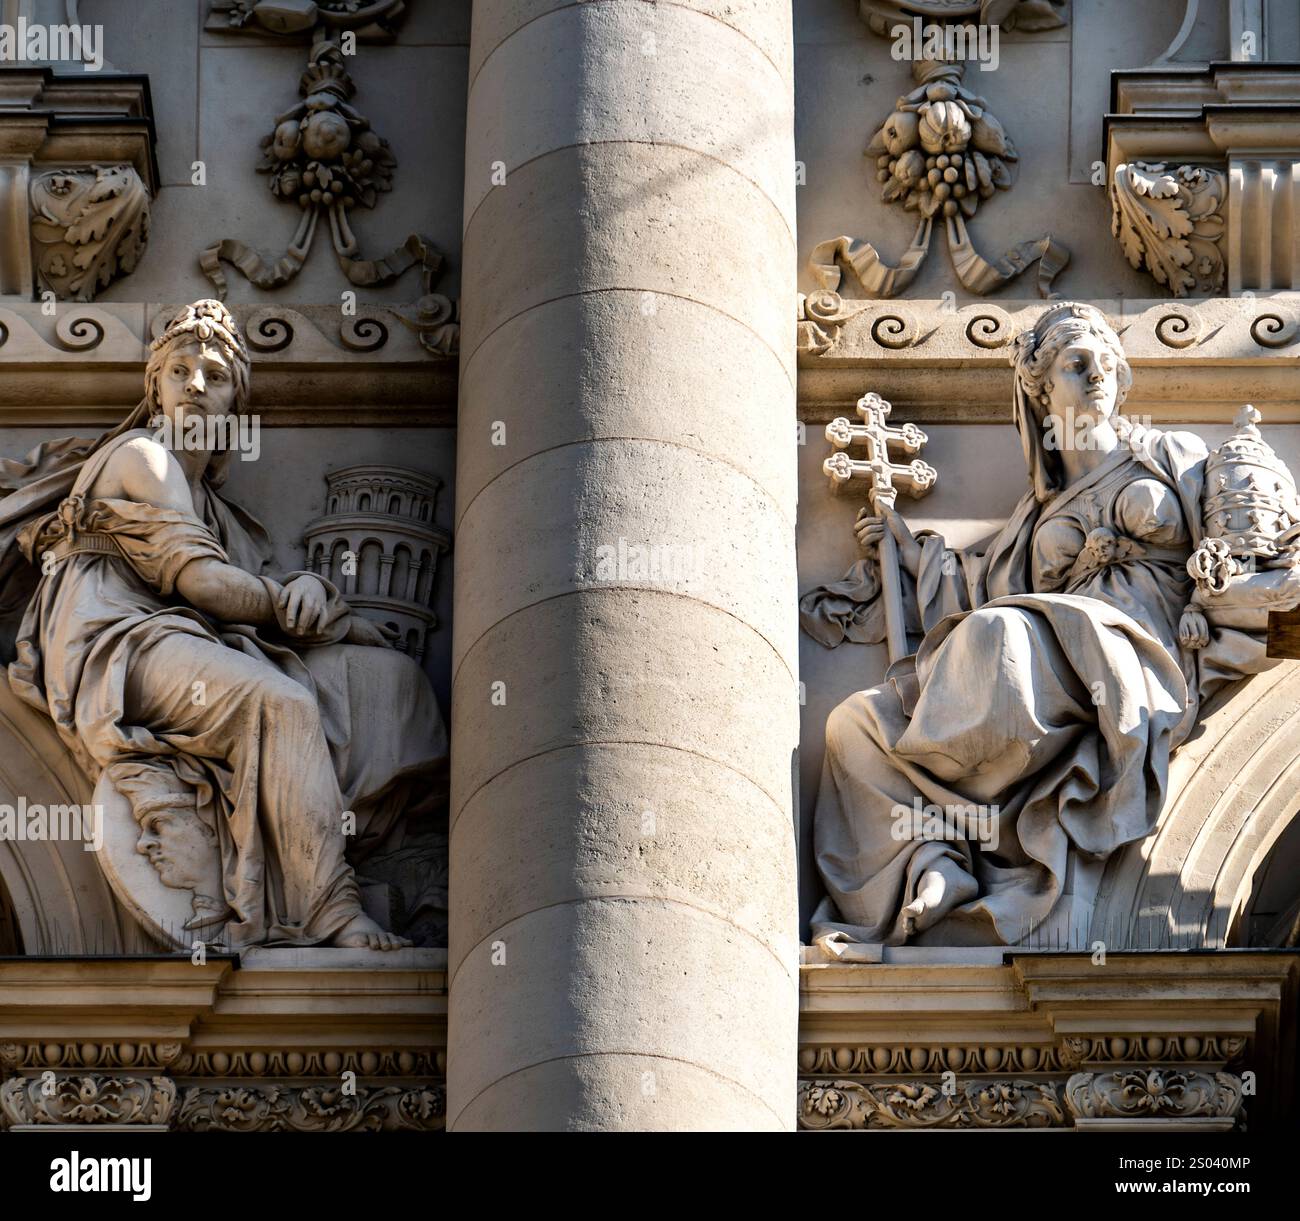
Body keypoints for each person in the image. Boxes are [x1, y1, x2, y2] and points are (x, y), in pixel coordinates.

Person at [801, 302, 1276, 947]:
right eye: (1077, 365)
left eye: (1107, 363)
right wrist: (911, 555)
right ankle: (934, 861)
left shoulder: (1170, 454)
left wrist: (1224, 587)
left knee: (999, 635)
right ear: (1040, 388)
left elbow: (1243, 551)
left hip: (1139, 658)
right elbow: (980, 588)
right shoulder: (1034, 518)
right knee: (852, 724)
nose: (1097, 376)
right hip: (1054, 662)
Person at [0, 300, 446, 950]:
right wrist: (290, 603)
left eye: (213, 374)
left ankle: (375, 850)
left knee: (387, 681)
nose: (195, 386)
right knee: (281, 702)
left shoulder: (216, 509)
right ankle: (329, 907)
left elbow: (251, 600)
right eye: (179, 371)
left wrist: (315, 600)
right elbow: (205, 585)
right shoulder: (143, 458)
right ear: (156, 390)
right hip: (118, 648)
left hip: (186, 640)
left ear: (236, 401)